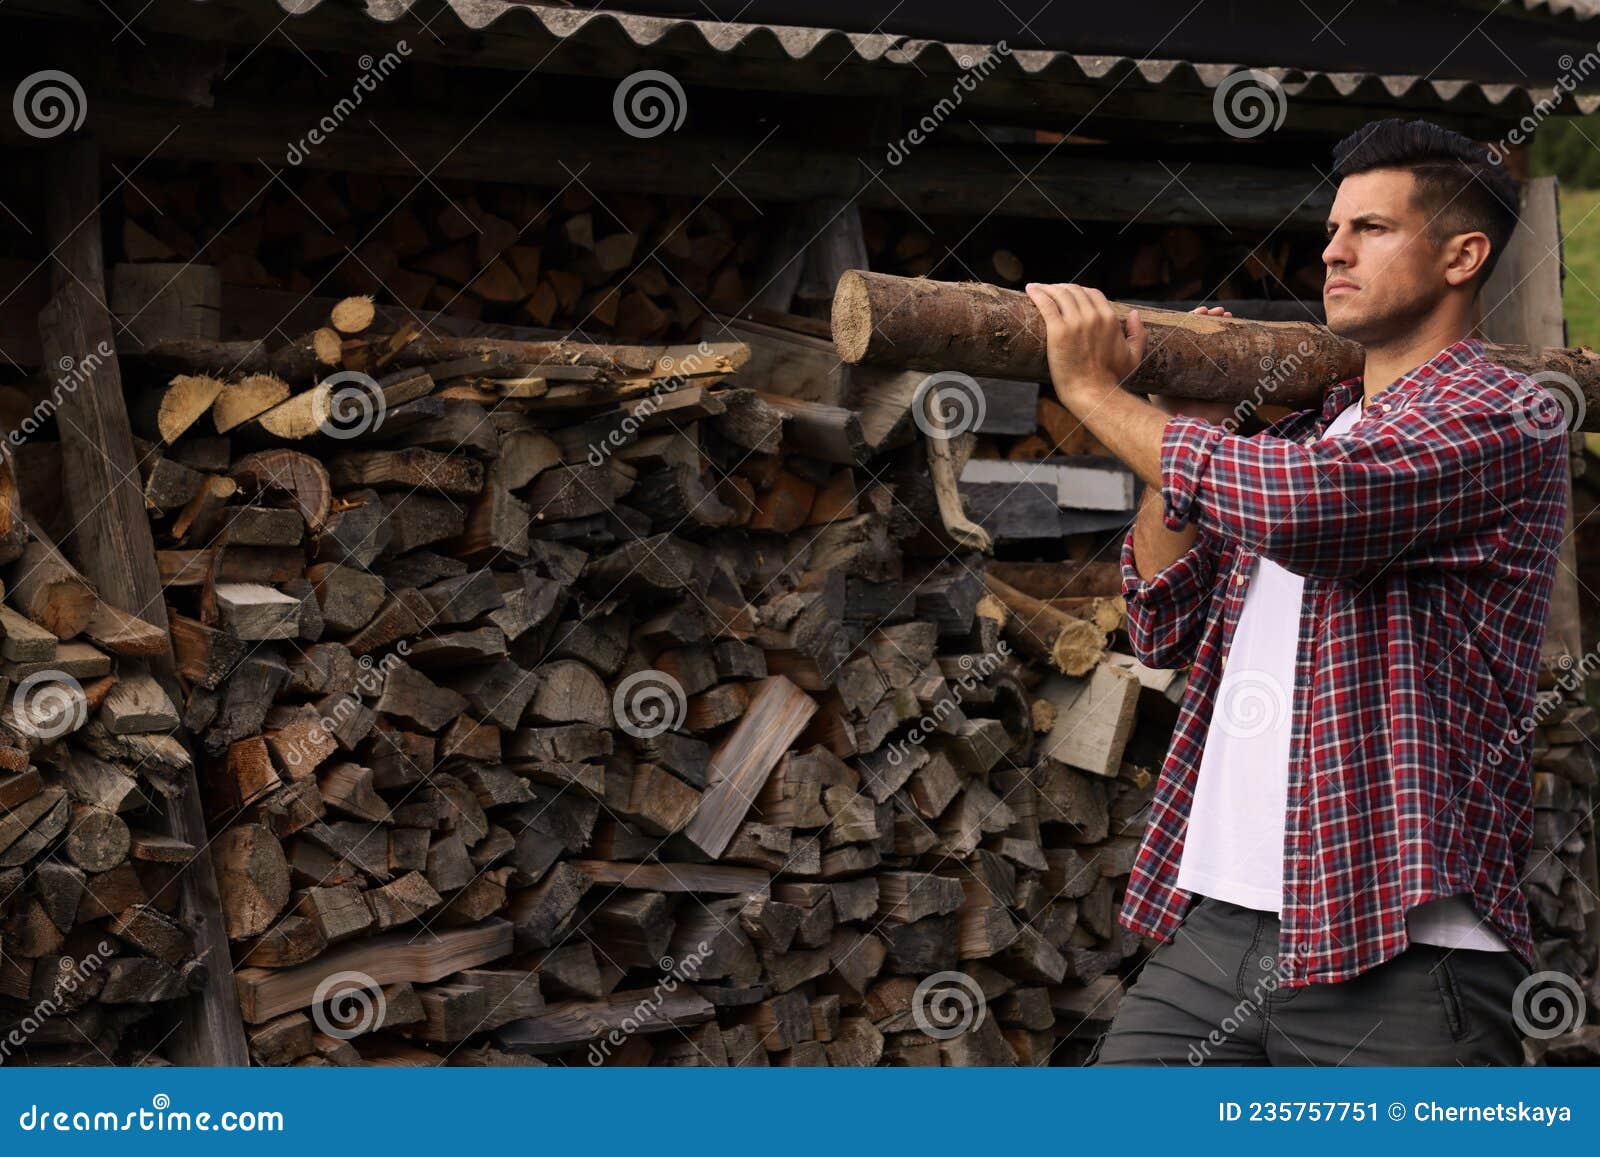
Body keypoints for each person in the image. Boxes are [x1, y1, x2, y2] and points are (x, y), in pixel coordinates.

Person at [1024, 117, 1568, 1065]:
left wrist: (1096, 396)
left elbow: (1300, 513)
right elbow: (1161, 614)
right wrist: (1187, 425)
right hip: (1222, 926)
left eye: (1372, 228)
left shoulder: (1500, 417)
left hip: (1401, 944)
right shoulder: (1300, 437)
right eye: (1333, 229)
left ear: (1462, 256)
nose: (1333, 250)